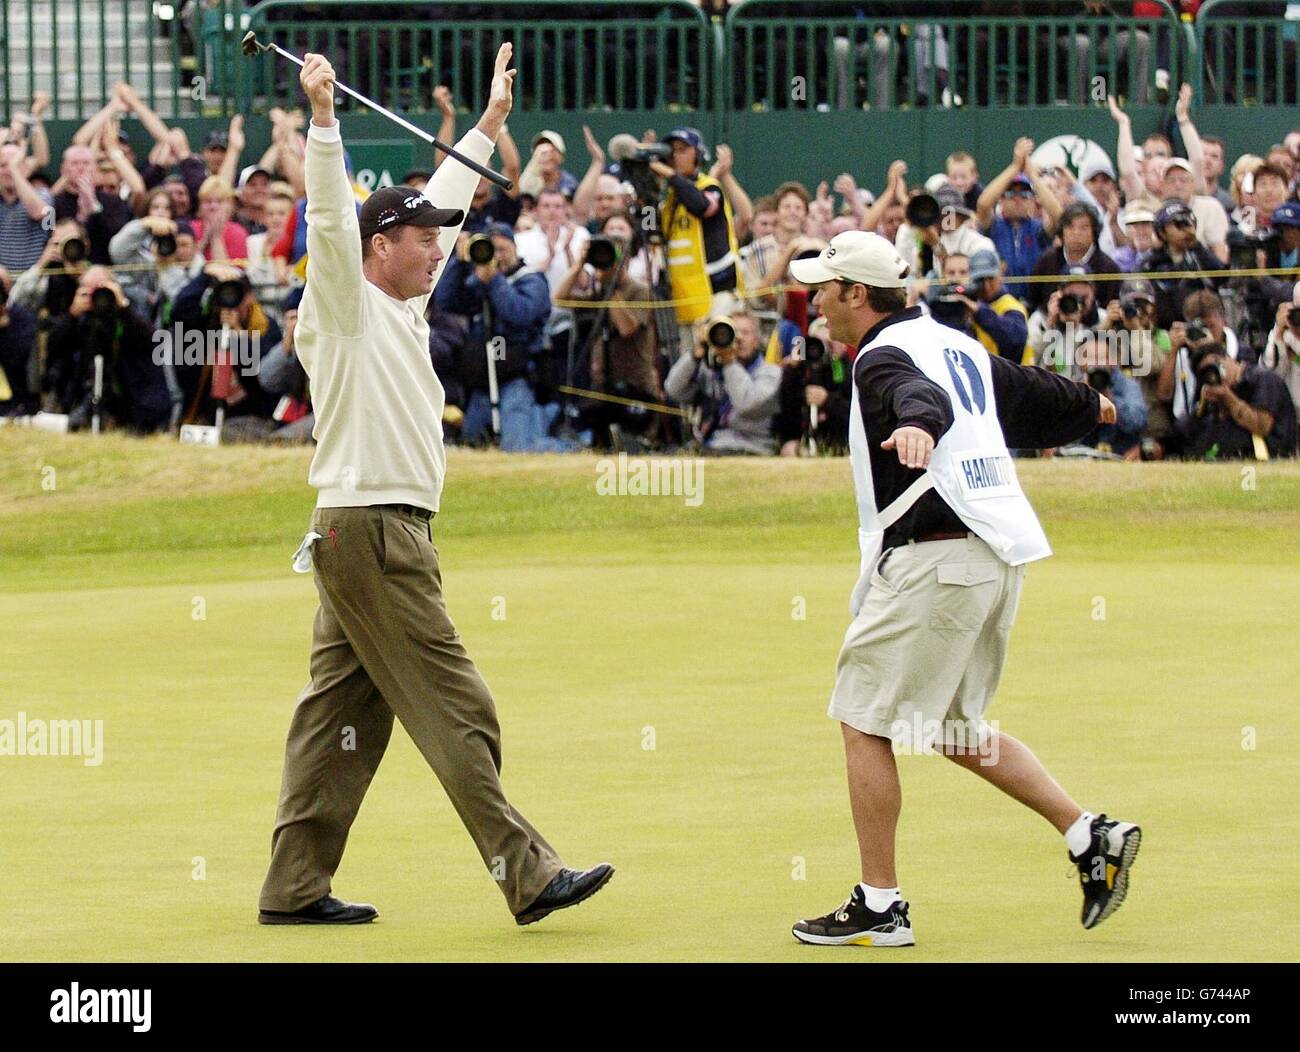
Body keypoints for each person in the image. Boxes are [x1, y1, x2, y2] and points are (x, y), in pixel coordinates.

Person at [257, 46, 612, 929]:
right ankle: (527, 873)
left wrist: (489, 126)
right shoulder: (342, 297)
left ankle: (294, 888)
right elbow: (331, 215)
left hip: (362, 533)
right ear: (380, 248)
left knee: (338, 722)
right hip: (374, 532)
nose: (437, 254)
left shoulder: (402, 302)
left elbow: (444, 205)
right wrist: (326, 120)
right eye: (421, 244)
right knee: (460, 704)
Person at [786, 231, 1138, 946]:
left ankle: (880, 904)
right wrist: (1092, 406)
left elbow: (915, 397)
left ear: (856, 293)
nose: (815, 299)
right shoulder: (951, 341)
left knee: (863, 718)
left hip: (939, 560)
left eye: (824, 286)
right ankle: (1087, 834)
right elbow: (1026, 390)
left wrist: (917, 425)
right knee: (947, 727)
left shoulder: (882, 356)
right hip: (994, 557)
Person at [664, 307, 779, 454]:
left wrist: (729, 362)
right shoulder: (713, 370)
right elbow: (673, 389)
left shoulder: (771, 374)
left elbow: (747, 404)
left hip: (749, 448)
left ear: (757, 341)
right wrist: (696, 353)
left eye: (745, 333)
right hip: (709, 445)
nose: (739, 338)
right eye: (734, 331)